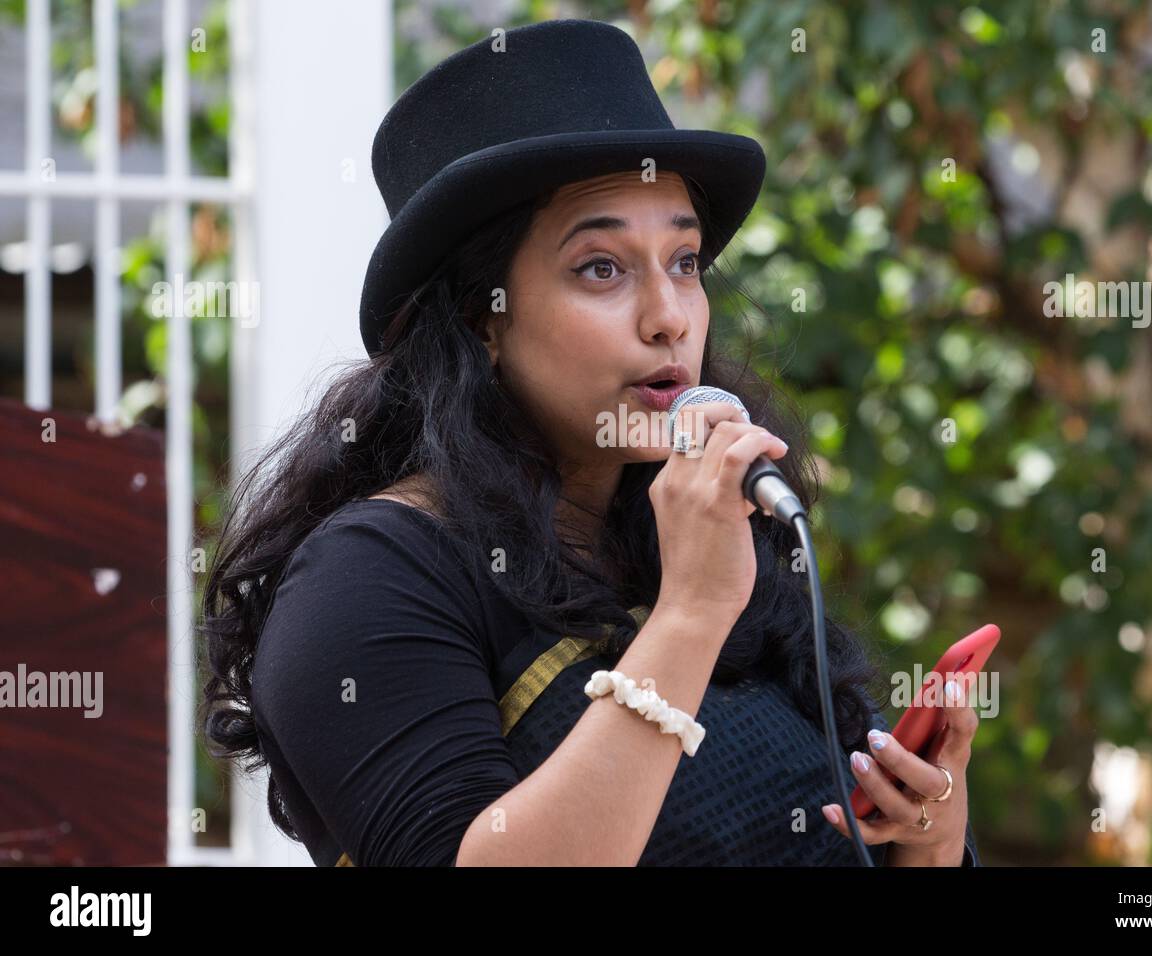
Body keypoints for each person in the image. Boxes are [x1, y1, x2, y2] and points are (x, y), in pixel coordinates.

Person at [200, 17, 984, 867]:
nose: (669, 317)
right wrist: (689, 615)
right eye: (602, 268)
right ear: (480, 319)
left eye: (684, 261)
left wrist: (929, 837)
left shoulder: (700, 535)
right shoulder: (368, 579)